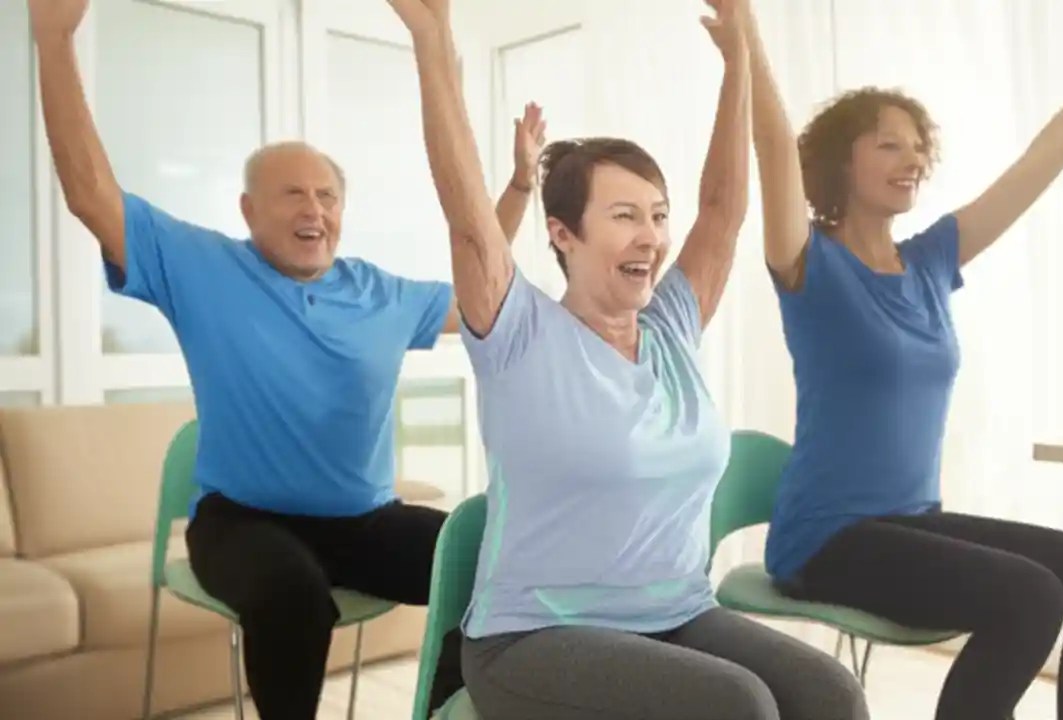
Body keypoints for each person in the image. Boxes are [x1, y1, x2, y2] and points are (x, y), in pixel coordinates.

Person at [27, 1, 547, 717]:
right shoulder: (201, 266)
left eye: (328, 195)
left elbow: (480, 282)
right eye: (293, 193)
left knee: (490, 559)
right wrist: (53, 40)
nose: (315, 209)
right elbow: (90, 194)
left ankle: (444, 711)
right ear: (248, 210)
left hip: (365, 521)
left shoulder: (380, 292)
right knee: (294, 601)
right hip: (241, 522)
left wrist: (520, 186)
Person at [385, 0, 869, 718]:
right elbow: (468, 221)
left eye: (656, 214)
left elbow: (722, 210)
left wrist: (740, 62)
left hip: (675, 613)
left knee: (830, 693)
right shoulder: (518, 332)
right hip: (531, 638)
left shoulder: (670, 325)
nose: (651, 235)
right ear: (563, 233)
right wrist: (434, 39)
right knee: (737, 704)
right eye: (624, 216)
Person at [745, 1, 1063, 719]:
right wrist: (746, 35)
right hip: (827, 540)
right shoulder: (808, 265)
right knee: (1030, 597)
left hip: (912, 520)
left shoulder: (933, 260)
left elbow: (1045, 156)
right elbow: (774, 150)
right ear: (840, 160)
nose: (911, 159)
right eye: (887, 145)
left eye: (916, 147)